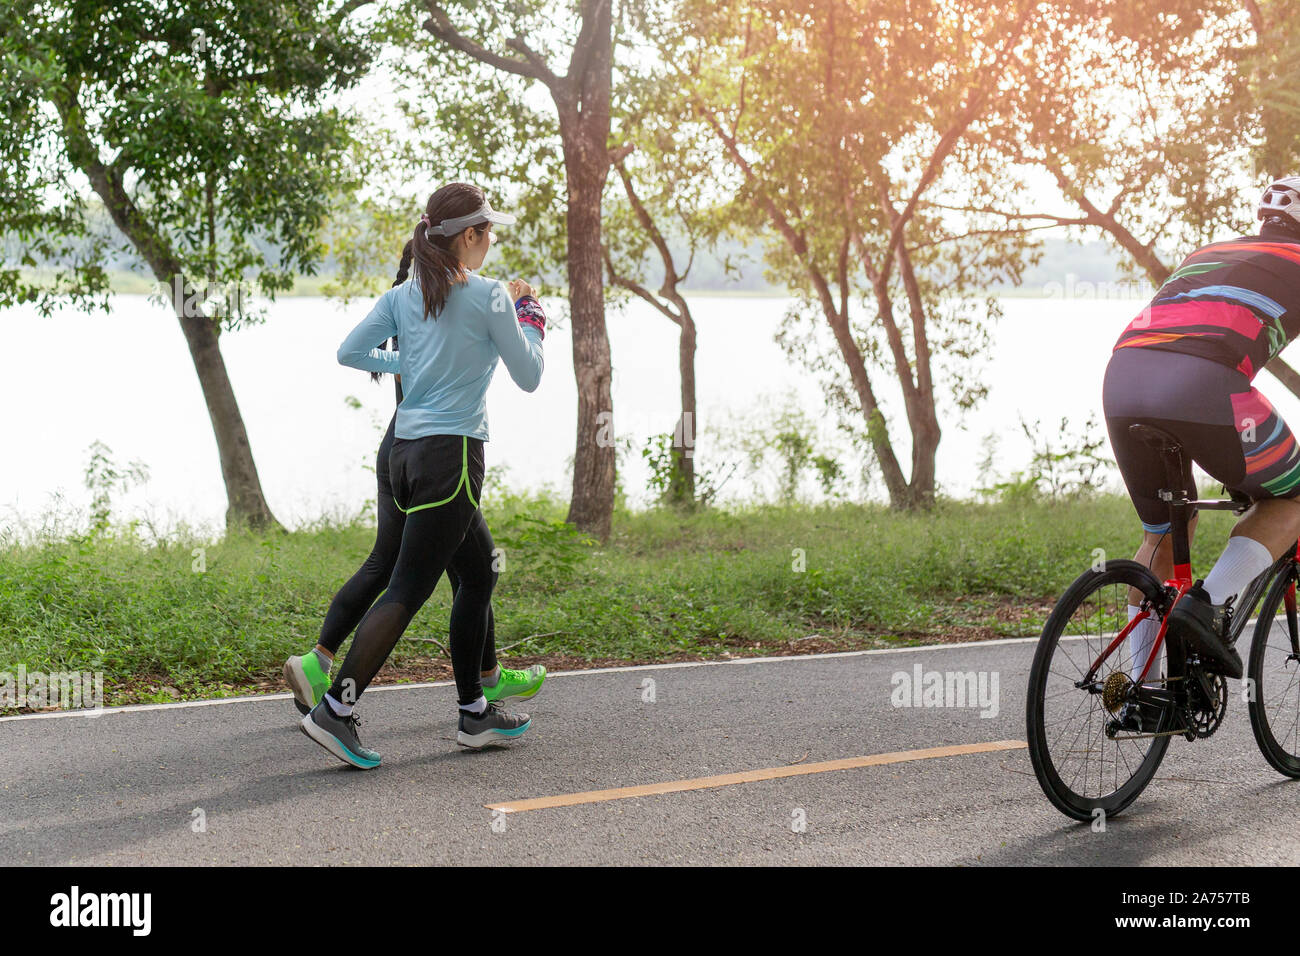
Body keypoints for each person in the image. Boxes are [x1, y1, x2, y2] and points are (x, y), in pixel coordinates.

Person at [300, 182, 547, 768]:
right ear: (468, 237)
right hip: (452, 459)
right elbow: (530, 374)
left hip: (404, 454)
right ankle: (336, 710)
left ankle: (475, 713)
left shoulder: (406, 295)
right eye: (487, 232)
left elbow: (350, 353)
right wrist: (530, 312)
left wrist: (405, 360)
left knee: (480, 570)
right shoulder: (489, 298)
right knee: (407, 589)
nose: (491, 242)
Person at [1104, 176, 1300, 717]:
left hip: (1123, 379)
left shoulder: (1211, 250)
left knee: (1167, 531)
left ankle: (1138, 695)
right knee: (1291, 497)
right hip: (1204, 385)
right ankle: (1207, 608)